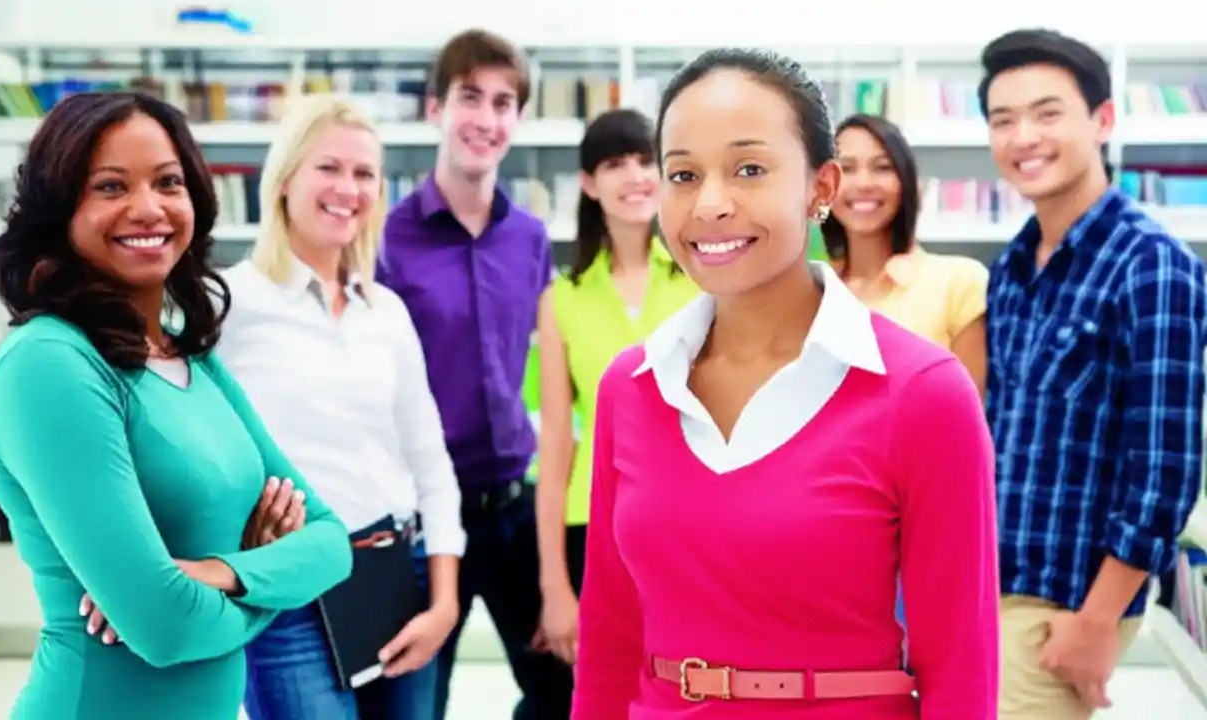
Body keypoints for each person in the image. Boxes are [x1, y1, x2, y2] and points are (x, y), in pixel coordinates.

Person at [570, 48, 1000, 720]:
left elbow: (960, 669)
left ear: (820, 189)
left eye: (749, 169)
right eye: (683, 174)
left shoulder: (923, 393)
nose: (710, 203)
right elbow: (609, 639)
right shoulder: (632, 386)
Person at [0, 91, 352, 720]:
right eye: (109, 187)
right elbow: (165, 628)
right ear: (60, 210)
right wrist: (268, 577)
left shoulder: (191, 359)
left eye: (168, 182)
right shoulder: (49, 364)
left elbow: (332, 543)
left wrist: (220, 572)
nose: (147, 208)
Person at [979, 29, 1207, 720]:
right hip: (991, 583)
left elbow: (1166, 470)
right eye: (1003, 120)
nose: (1025, 137)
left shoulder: (1152, 266)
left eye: (1048, 114)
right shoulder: (1014, 270)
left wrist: (1098, 620)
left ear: (1102, 120)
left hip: (1064, 604)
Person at [215, 94, 465, 720]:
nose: (347, 189)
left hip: (394, 578)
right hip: (290, 594)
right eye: (329, 168)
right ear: (285, 179)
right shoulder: (226, 303)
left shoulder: (387, 313)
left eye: (364, 174)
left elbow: (429, 462)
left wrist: (444, 603)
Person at [377, 28, 573, 720]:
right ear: (435, 108)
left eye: (503, 103)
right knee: (415, 703)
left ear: (517, 119)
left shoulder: (530, 239)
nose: (486, 120)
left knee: (565, 694)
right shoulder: (386, 237)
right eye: (470, 98)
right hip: (428, 517)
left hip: (514, 509)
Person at [533, 108, 698, 668]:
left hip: (694, 525)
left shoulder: (702, 279)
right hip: (595, 526)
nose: (635, 176)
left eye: (644, 160)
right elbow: (556, 446)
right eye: (614, 163)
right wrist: (555, 586)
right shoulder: (562, 299)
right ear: (587, 183)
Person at [826, 113, 989, 394]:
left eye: (882, 167)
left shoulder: (959, 282)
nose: (864, 183)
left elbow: (968, 414)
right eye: (847, 169)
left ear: (907, 183)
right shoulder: (811, 292)